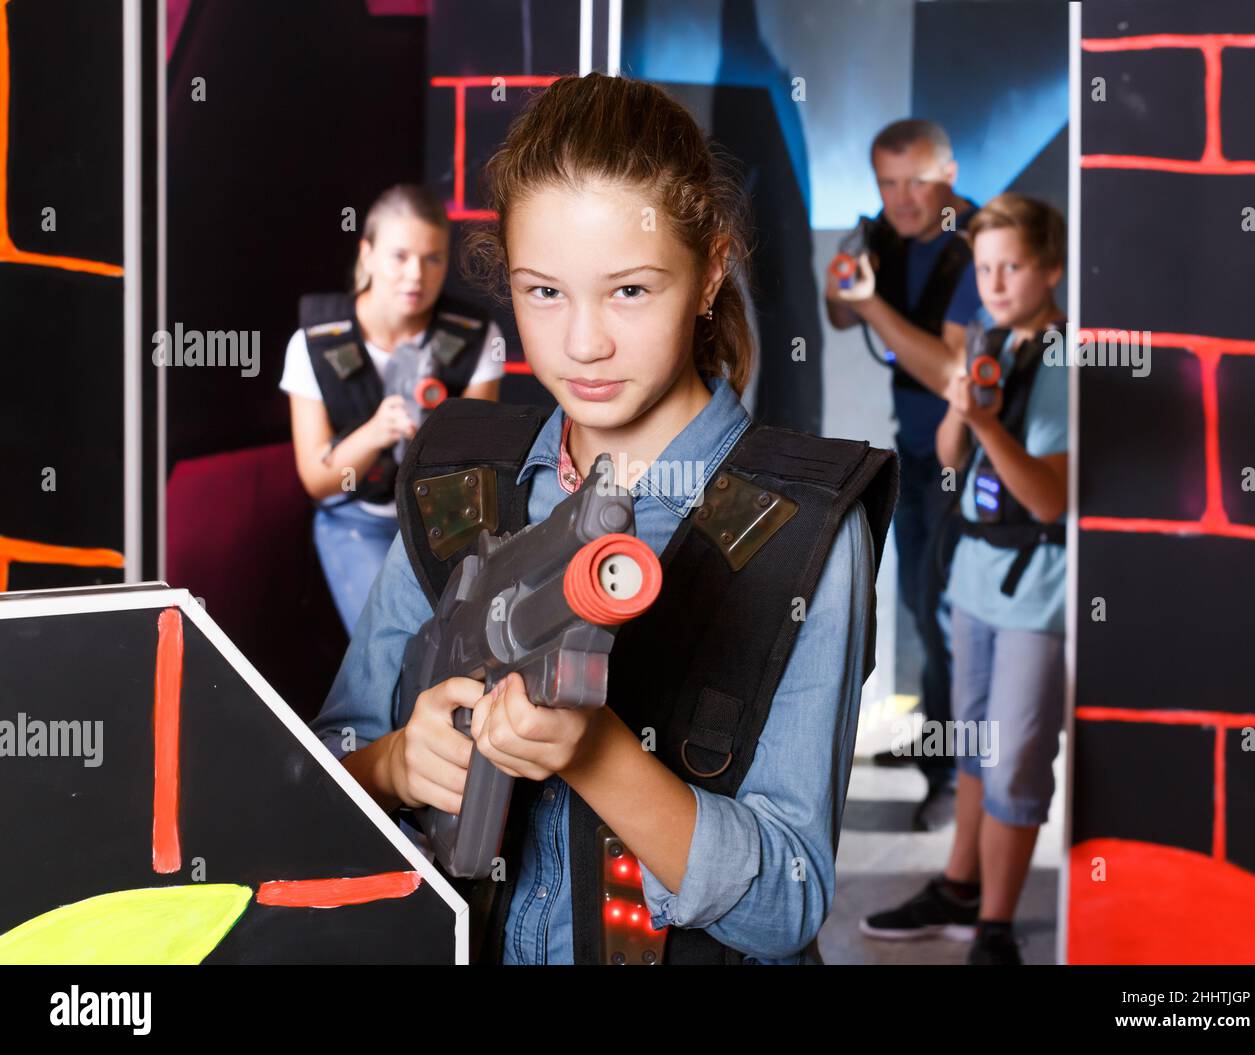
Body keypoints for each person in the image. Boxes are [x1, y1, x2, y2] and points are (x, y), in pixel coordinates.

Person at [309, 72, 898, 964]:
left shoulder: (802, 529)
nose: (583, 342)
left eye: (629, 291)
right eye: (544, 291)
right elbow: (326, 764)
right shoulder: (458, 476)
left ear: (708, 273)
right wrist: (396, 763)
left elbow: (788, 903)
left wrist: (598, 755)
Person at [859, 193, 1067, 965]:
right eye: (985, 268)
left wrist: (981, 422)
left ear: (1051, 268)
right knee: (978, 744)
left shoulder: (1064, 356)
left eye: (1013, 266)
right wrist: (961, 408)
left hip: (1034, 586)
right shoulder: (995, 343)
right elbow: (952, 458)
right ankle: (958, 884)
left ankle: (997, 927)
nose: (997, 281)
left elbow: (1050, 495)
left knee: (1014, 757)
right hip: (975, 575)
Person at [825, 119, 982, 828]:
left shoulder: (982, 245)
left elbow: (951, 370)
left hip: (972, 457)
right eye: (888, 182)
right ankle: (937, 743)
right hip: (915, 454)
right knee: (923, 607)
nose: (903, 198)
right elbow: (836, 316)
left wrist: (868, 304)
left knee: (949, 615)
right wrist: (843, 287)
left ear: (950, 170)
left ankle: (952, 773)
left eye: (918, 180)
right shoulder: (886, 234)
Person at [279, 185, 505, 635]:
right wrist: (378, 432)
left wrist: (438, 437)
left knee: (463, 640)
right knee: (392, 645)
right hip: (356, 519)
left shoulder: (477, 337)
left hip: (443, 522)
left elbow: (476, 466)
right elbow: (319, 482)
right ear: (367, 254)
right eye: (399, 256)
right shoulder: (315, 342)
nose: (415, 275)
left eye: (432, 258)